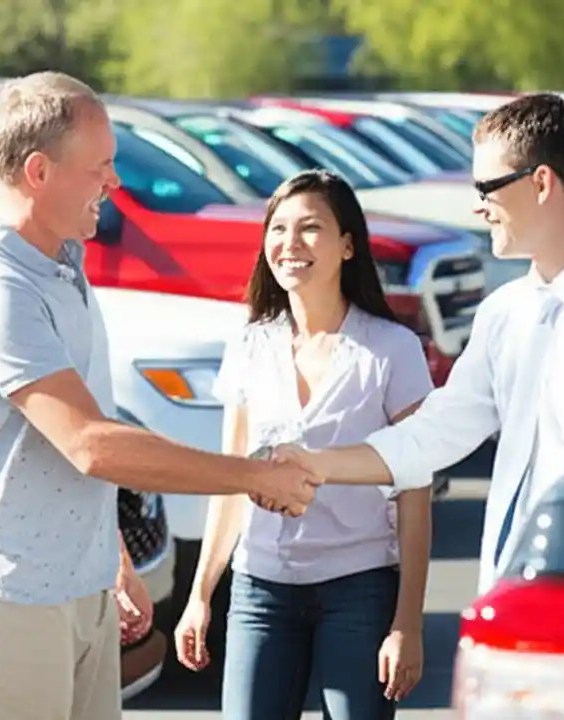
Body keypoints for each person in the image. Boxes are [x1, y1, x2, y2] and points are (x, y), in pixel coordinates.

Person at [0, 70, 322, 720]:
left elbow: (68, 440)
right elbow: (88, 443)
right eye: (100, 168)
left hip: (80, 590)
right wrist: (252, 476)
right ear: (38, 172)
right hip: (14, 604)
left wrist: (108, 558)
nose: (114, 184)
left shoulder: (61, 259)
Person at [268, 92, 564, 595]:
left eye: (487, 187)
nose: (478, 206)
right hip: (508, 598)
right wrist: (318, 463)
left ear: (542, 182)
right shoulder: (506, 312)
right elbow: (436, 433)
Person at [172, 170, 433, 720]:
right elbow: (231, 482)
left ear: (347, 245)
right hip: (260, 589)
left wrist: (407, 623)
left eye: (310, 228)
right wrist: (200, 595)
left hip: (359, 588)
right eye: (278, 229)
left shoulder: (392, 349)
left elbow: (415, 490)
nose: (290, 244)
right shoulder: (249, 344)